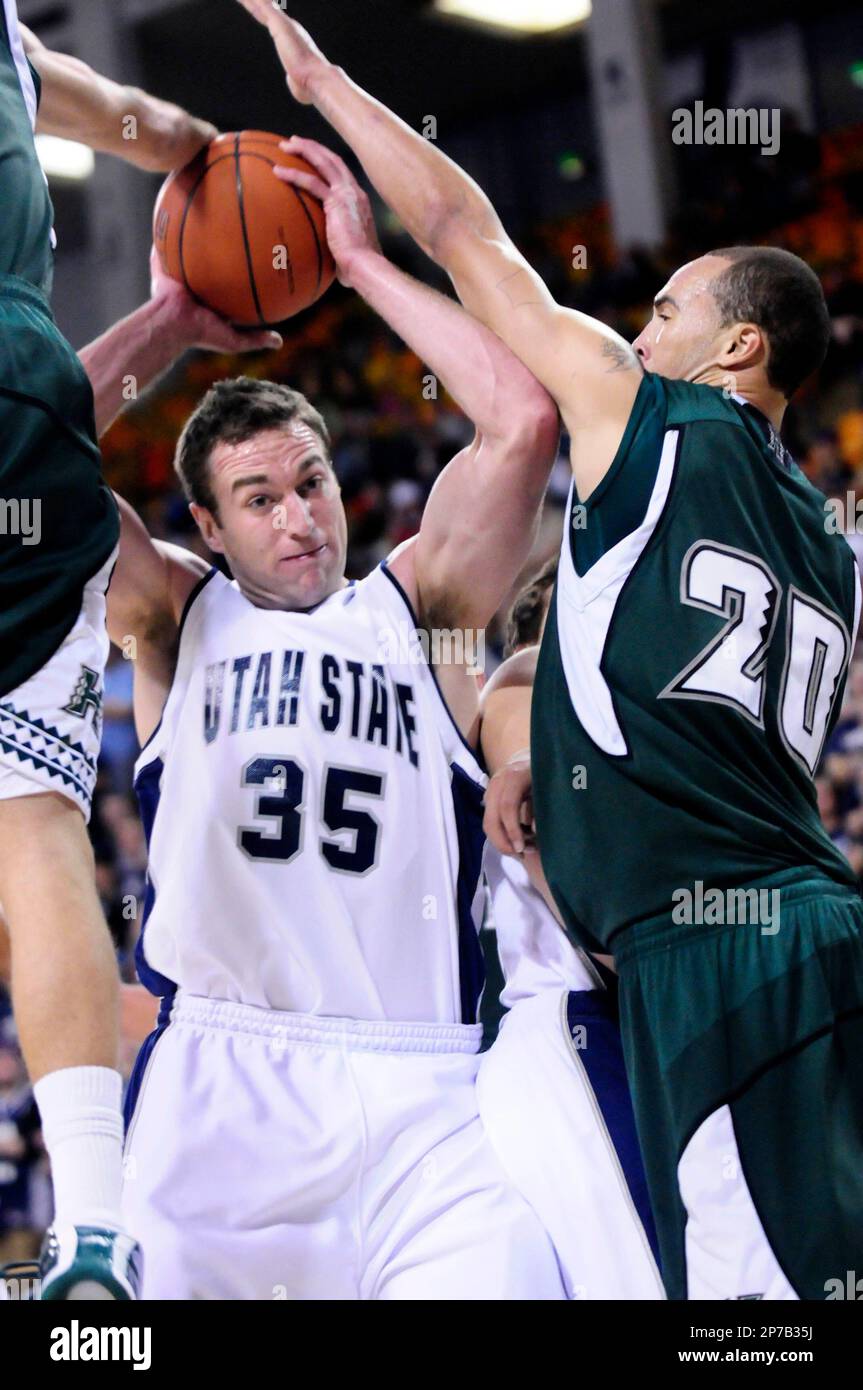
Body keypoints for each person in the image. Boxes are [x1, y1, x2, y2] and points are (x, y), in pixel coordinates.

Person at [240, 1, 863, 1300]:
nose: (638, 330)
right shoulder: (820, 537)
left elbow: (469, 235)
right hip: (810, 923)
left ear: (734, 347)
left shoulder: (648, 417)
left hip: (716, 958)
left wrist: (325, 84)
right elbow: (630, 672)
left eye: (669, 309)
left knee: (748, 1315)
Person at [107, 145, 565, 1299]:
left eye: (309, 481)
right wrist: (166, 322)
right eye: (258, 500)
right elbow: (19, 459)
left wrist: (359, 263)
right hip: (221, 1091)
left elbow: (518, 420)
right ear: (208, 528)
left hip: (425, 1091)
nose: (300, 517)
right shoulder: (173, 613)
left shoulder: (424, 606)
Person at [0, 1, 277, 1297]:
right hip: (21, 393)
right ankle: (94, 1225)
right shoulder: (12, 47)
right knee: (35, 825)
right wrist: (217, 184)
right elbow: (157, 130)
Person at [478, 559, 663, 1300]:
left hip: (614, 1028)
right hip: (573, 1021)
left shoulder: (635, 721)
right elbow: (551, 831)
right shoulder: (526, 678)